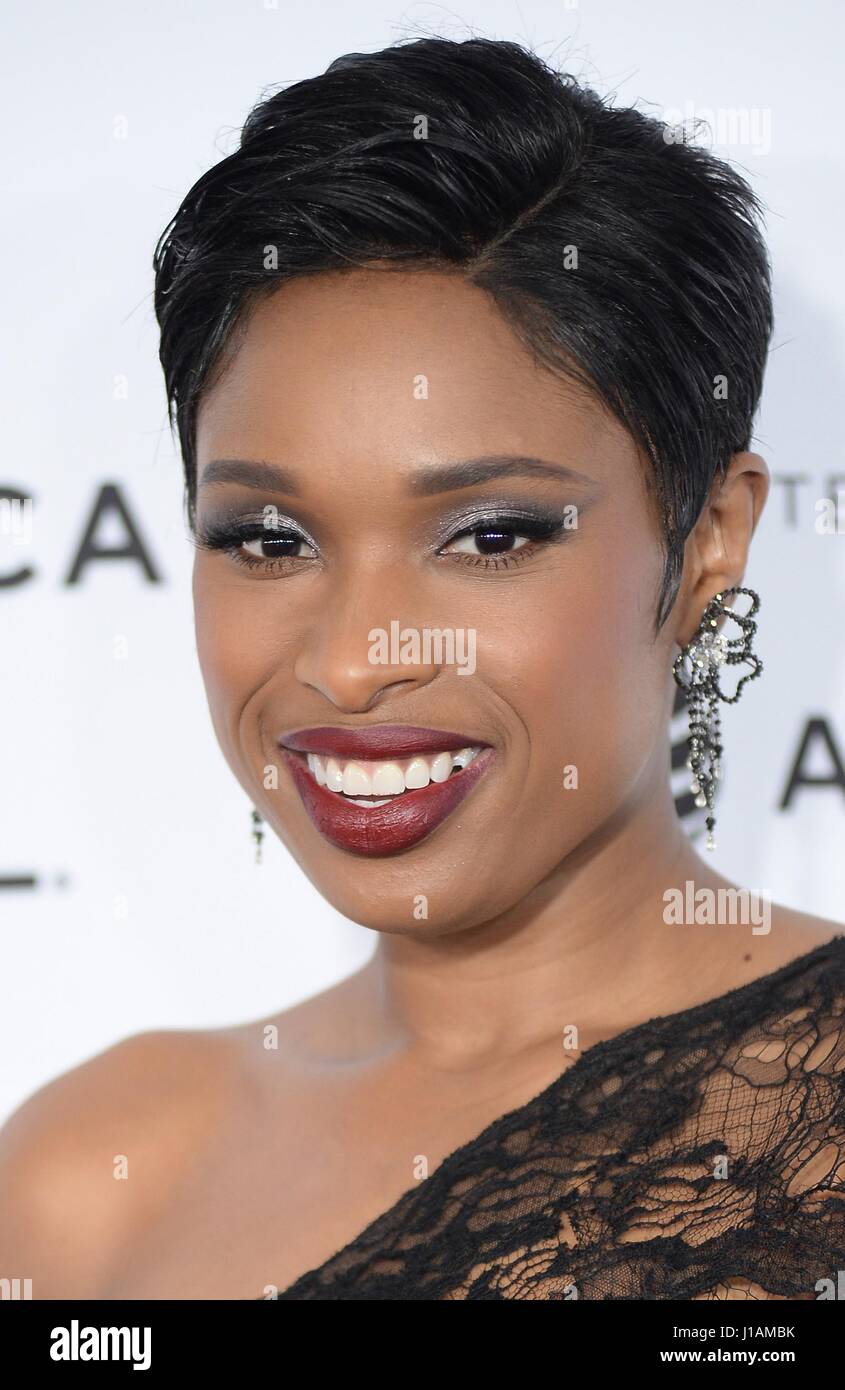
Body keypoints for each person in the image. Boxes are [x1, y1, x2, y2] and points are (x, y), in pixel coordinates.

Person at [1, 36, 843, 1301]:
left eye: (488, 536)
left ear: (707, 538)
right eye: (267, 540)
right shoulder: (88, 1171)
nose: (349, 662)